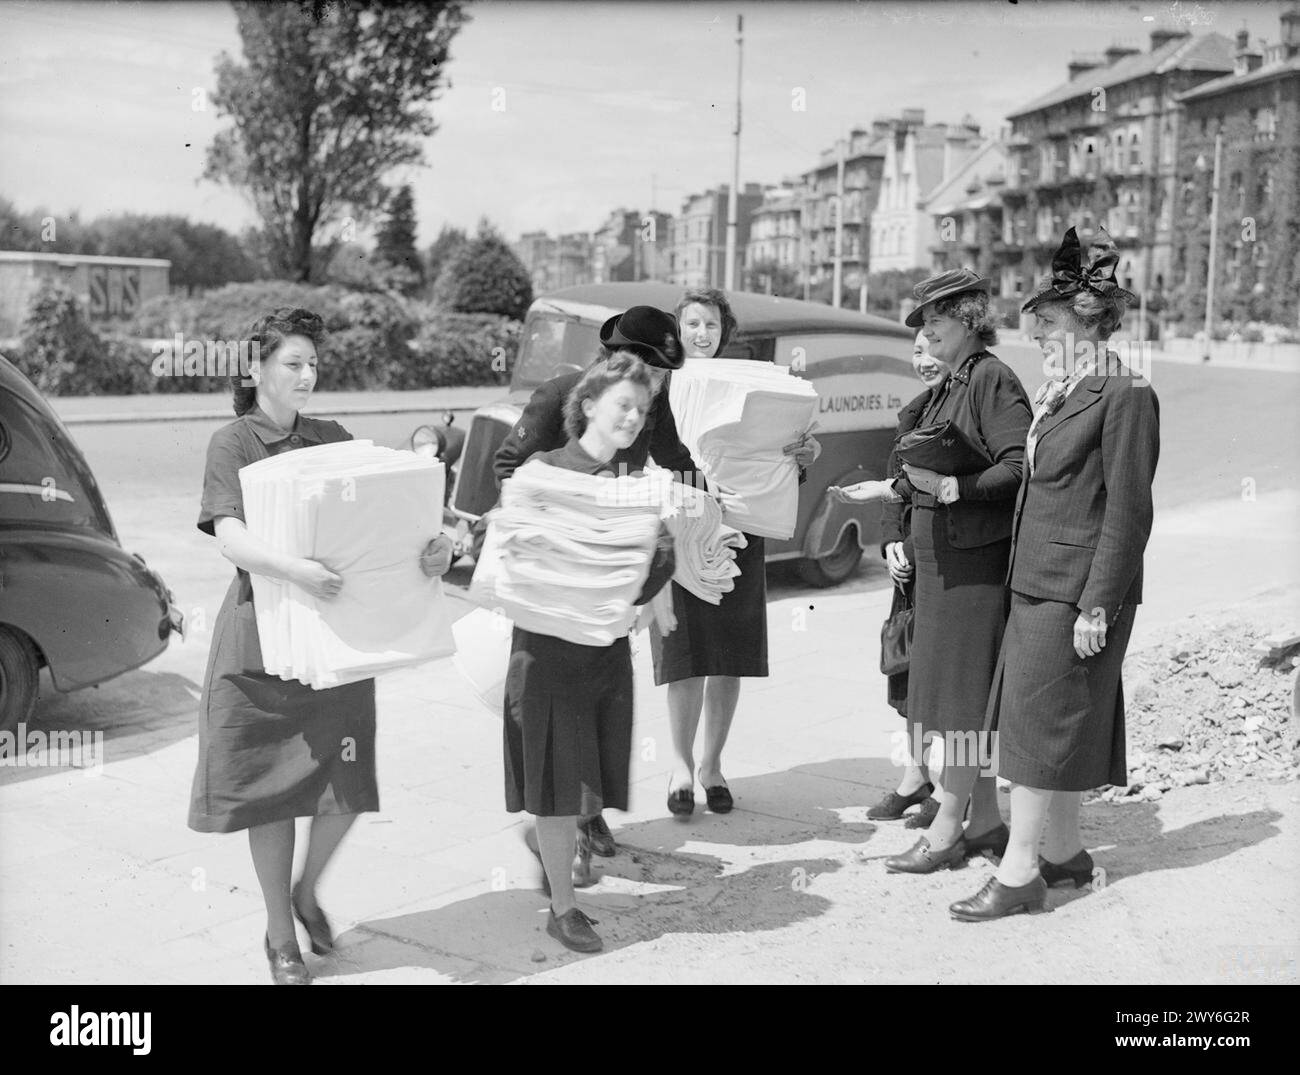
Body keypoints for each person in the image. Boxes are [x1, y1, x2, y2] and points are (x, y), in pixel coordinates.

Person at [189, 308, 454, 985]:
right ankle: (281, 932)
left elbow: (389, 522)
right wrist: (294, 568)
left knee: (345, 784)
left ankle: (308, 889)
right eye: (292, 363)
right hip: (261, 638)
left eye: (312, 363)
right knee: (268, 792)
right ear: (255, 369)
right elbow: (231, 536)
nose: (307, 375)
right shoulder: (233, 443)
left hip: (336, 639)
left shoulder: (335, 438)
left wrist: (435, 548)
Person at [950, 228, 1159, 921]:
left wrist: (1097, 604)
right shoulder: (1063, 388)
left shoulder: (1124, 392)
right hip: (1037, 581)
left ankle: (1020, 874)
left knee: (1038, 731)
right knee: (1053, 721)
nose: (1037, 329)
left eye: (1049, 319)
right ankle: (1065, 853)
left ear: (1087, 320)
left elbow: (1128, 510)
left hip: (1078, 593)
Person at [493, 305, 700, 863]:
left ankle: (588, 812)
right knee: (559, 707)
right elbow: (509, 464)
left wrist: (709, 496)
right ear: (613, 358)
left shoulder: (647, 403)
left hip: (611, 574)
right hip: (559, 574)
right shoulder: (560, 390)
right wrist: (565, 516)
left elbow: (675, 459)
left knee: (601, 701)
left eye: (661, 379)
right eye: (648, 370)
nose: (653, 389)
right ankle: (571, 822)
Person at [503, 351, 676, 953]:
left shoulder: (634, 489)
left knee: (584, 782)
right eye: (623, 404)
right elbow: (503, 551)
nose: (633, 417)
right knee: (557, 782)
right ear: (589, 405)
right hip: (546, 657)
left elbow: (656, 570)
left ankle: (545, 847)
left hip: (602, 655)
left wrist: (655, 552)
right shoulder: (543, 471)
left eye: (642, 409)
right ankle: (563, 906)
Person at [872, 269, 1031, 876]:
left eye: (936, 332)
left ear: (968, 323)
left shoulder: (990, 378)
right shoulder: (954, 383)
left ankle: (945, 831)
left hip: (972, 569)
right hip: (944, 569)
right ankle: (986, 819)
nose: (928, 344)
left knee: (963, 705)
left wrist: (953, 486)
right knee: (956, 701)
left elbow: (1018, 467)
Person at [650, 287, 819, 819]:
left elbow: (777, 453)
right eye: (692, 324)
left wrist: (804, 453)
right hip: (681, 530)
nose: (701, 334)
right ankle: (678, 766)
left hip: (743, 529)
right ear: (677, 330)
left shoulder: (754, 384)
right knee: (683, 655)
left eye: (711, 326)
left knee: (728, 655)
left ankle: (712, 765)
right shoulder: (659, 383)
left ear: (726, 332)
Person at [836, 331, 951, 826]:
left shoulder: (965, 410)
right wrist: (889, 546)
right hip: (910, 571)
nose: (925, 361)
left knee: (942, 678)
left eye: (934, 350)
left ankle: (947, 789)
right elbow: (892, 491)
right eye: (918, 352)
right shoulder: (915, 412)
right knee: (906, 673)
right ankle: (915, 775)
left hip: (948, 565)